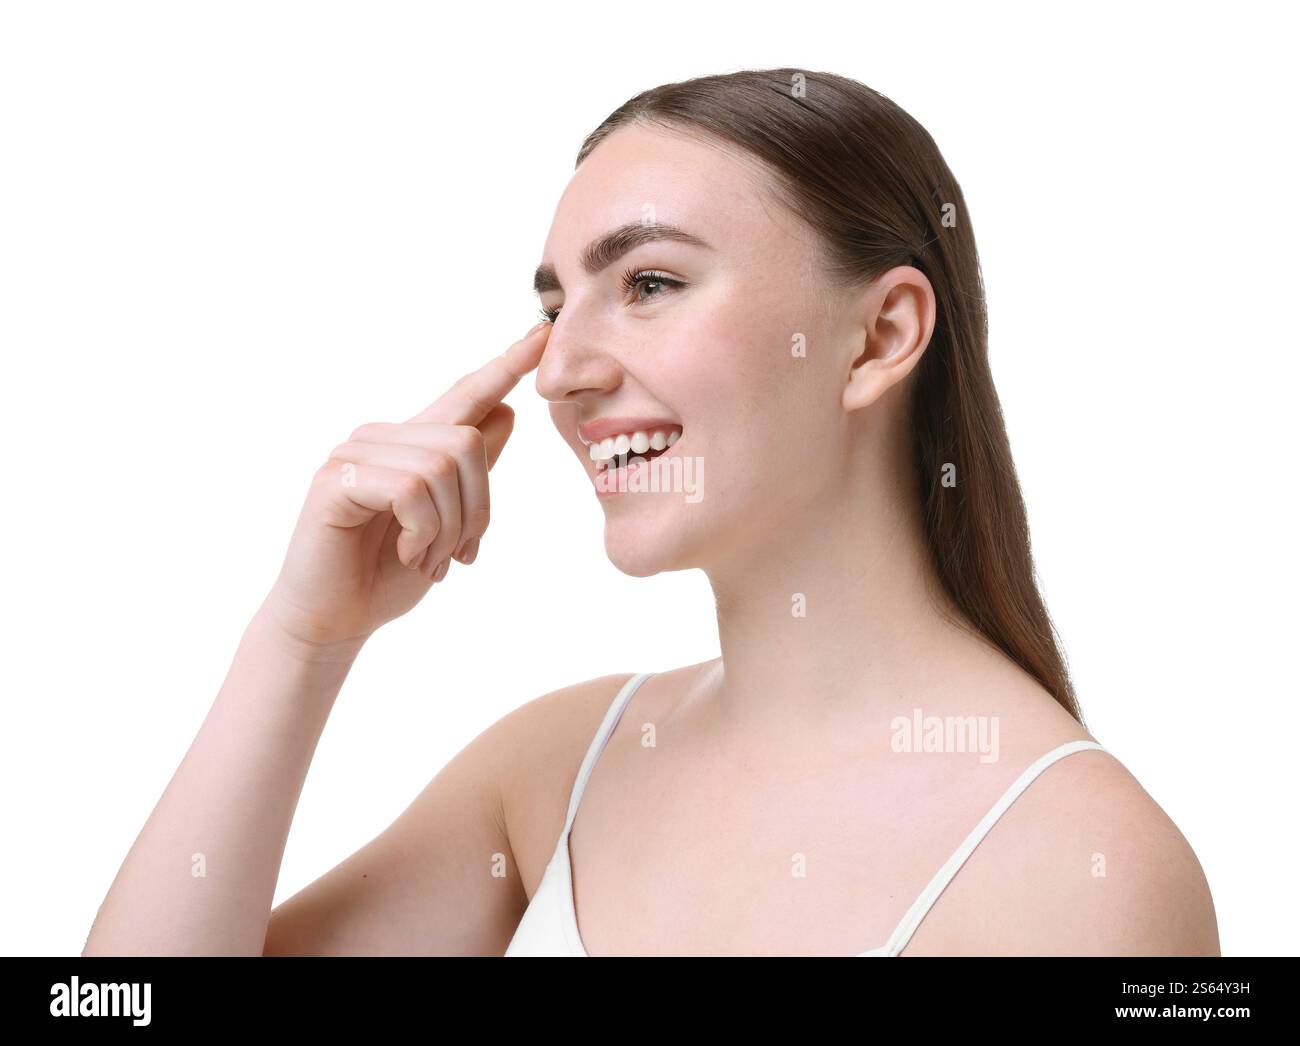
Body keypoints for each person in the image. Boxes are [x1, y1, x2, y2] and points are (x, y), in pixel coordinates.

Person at [83, 69, 1219, 957]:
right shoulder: (557, 767)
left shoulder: (1087, 862)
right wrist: (299, 639)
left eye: (650, 284)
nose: (561, 369)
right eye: (553, 303)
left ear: (879, 338)